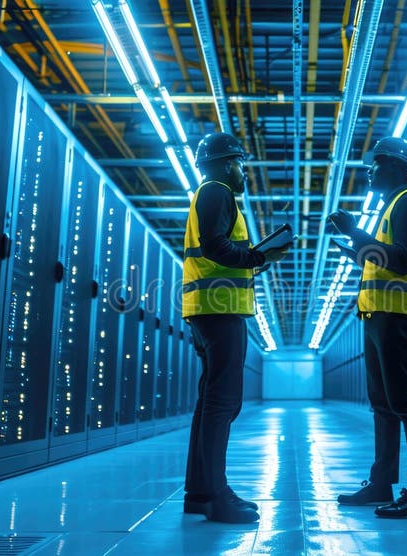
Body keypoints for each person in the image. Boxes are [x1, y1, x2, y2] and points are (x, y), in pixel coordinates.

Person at [181, 131, 289, 523]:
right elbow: (215, 247)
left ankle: (200, 493)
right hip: (219, 310)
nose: (244, 172)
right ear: (228, 163)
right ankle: (216, 495)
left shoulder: (208, 194)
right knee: (223, 403)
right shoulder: (217, 192)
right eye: (241, 164)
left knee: (211, 403)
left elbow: (216, 248)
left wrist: (258, 257)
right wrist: (257, 255)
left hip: (209, 309)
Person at [327, 136, 407, 519]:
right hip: (377, 316)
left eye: (377, 163)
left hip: (398, 316)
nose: (370, 170)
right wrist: (353, 245)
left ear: (398, 167)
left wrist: (356, 234)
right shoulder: (392, 207)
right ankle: (381, 482)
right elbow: (383, 261)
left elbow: (402, 263)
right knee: (383, 404)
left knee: (406, 404)